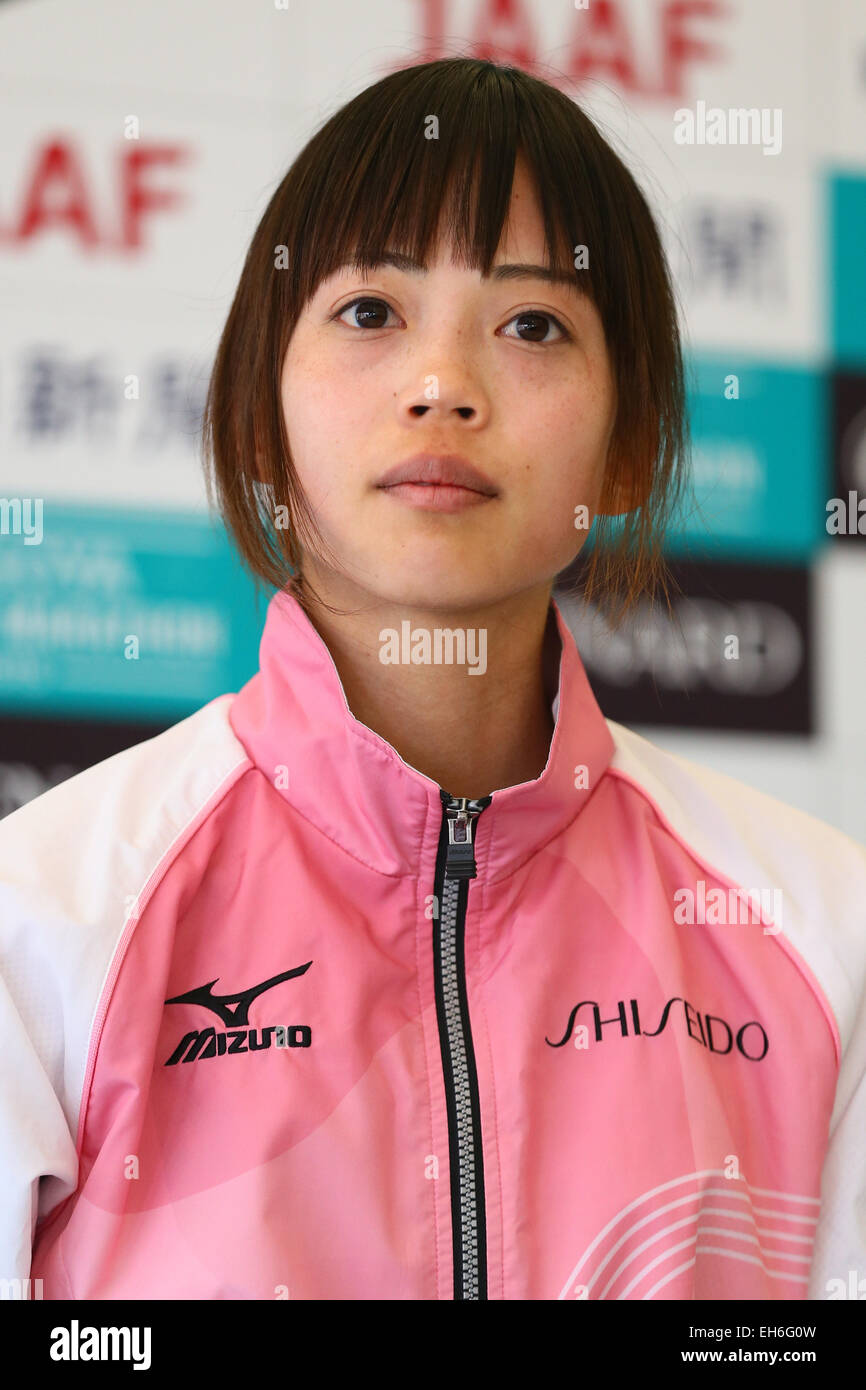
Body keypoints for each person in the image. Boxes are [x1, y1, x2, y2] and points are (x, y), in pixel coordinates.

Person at [1, 56, 864, 1303]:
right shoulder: (46, 918)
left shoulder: (817, 933)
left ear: (625, 449)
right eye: (368, 313)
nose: (441, 384)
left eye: (531, 325)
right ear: (260, 419)